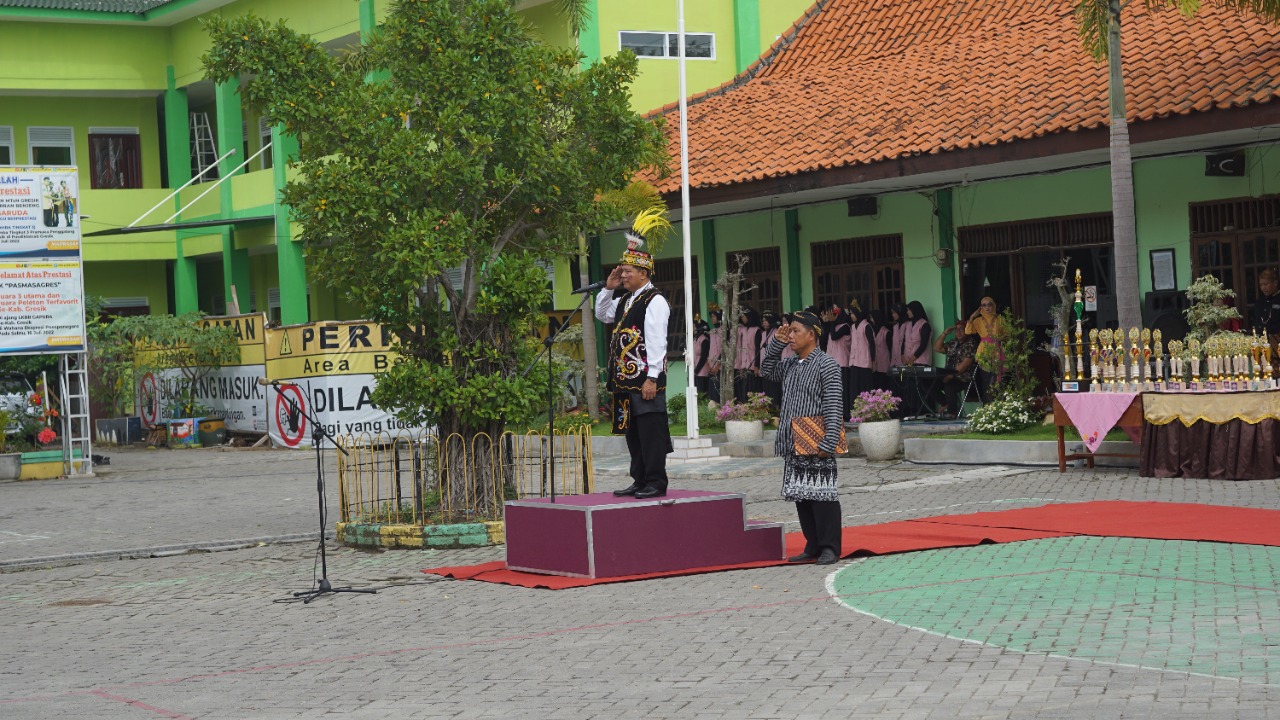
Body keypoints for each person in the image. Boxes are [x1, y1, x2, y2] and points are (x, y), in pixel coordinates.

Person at [761, 311, 844, 566]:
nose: (791, 336)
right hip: (794, 440)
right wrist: (776, 343)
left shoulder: (826, 364)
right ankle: (813, 545)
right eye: (790, 331)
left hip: (817, 441)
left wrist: (829, 441)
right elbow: (766, 370)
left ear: (812, 335)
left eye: (796, 331)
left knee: (822, 496)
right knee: (802, 495)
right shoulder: (790, 364)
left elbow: (833, 405)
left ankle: (830, 547)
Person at [596, 233, 672, 500]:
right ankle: (639, 479)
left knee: (650, 432)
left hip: (644, 381)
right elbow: (602, 314)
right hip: (624, 382)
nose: (623, 275)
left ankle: (656, 481)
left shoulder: (655, 300)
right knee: (632, 433)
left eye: (628, 271)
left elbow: (657, 341)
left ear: (643, 273)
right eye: (623, 271)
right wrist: (609, 288)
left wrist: (653, 377)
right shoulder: (626, 300)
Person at [965, 296, 1008, 399]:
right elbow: (968, 331)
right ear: (981, 308)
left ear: (994, 306)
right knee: (987, 382)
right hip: (984, 352)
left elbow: (1007, 335)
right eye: (984, 305)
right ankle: (988, 406)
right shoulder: (978, 320)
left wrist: (998, 339)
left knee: (998, 382)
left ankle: (999, 405)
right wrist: (972, 317)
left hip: (997, 351)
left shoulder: (1000, 319)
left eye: (989, 304)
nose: (987, 307)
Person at [933, 318, 977, 418]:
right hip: (947, 374)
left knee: (949, 386)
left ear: (967, 330)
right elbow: (937, 348)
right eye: (956, 329)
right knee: (927, 382)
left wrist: (951, 376)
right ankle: (945, 402)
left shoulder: (971, 343)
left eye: (961, 329)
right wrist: (945, 333)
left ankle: (952, 413)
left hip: (962, 377)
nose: (958, 331)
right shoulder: (953, 343)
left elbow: (966, 363)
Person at [1252, 269, 1280, 375]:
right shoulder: (1260, 302)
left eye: (1266, 284)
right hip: (1261, 344)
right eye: (1261, 285)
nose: (1263, 288)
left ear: (1275, 283)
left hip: (1276, 345)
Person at [848, 304, 876, 408]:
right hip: (854, 361)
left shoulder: (866, 326)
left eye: (853, 313)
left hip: (864, 361)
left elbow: (872, 344)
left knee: (865, 387)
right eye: (850, 313)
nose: (851, 315)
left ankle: (867, 410)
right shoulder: (853, 327)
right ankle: (856, 410)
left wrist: (873, 360)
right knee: (855, 388)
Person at [734, 307, 761, 402]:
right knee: (744, 390)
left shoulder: (756, 330)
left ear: (749, 317)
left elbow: (758, 349)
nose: (742, 318)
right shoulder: (743, 330)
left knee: (752, 389)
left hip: (753, 365)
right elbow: (742, 348)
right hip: (744, 365)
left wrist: (757, 366)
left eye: (744, 316)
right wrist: (741, 366)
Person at [758, 311, 783, 406]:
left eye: (766, 320)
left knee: (774, 389)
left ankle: (775, 407)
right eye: (763, 320)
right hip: (765, 366)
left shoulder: (777, 332)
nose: (763, 322)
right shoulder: (764, 333)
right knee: (766, 389)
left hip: (774, 366)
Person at [868, 308, 893, 391]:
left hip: (884, 364)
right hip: (875, 364)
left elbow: (891, 349)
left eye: (872, 318)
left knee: (884, 385)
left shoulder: (886, 332)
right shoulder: (872, 331)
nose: (871, 320)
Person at [692, 320, 713, 400]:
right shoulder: (695, 339)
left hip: (702, 371)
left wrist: (696, 370)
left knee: (702, 394)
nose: (693, 328)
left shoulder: (704, 340)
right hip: (695, 370)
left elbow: (703, 357)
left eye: (694, 326)